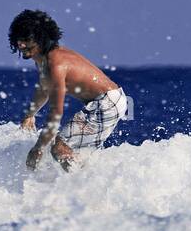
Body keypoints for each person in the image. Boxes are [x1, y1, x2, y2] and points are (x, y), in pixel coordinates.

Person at [9, 9, 127, 171]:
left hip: (108, 102)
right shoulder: (42, 60)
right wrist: (30, 114)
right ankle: (90, 180)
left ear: (41, 39)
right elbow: (44, 89)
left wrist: (38, 148)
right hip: (110, 101)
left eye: (26, 40)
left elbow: (55, 113)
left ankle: (83, 186)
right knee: (71, 151)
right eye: (18, 39)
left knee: (59, 148)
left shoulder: (55, 64)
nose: (21, 44)